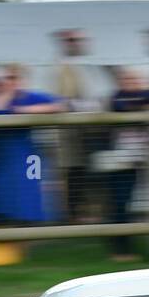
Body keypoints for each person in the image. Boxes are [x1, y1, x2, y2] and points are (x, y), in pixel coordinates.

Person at [0, 64, 64, 225]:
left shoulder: (28, 98)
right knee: (2, 194)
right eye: (7, 77)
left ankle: (30, 226)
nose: (9, 82)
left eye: (14, 78)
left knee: (29, 188)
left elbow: (59, 105)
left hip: (27, 154)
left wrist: (26, 110)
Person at [52, 28, 111, 223]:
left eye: (77, 40)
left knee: (94, 169)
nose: (75, 44)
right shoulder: (60, 67)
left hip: (95, 128)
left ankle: (95, 211)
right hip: (73, 129)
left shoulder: (92, 66)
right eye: (70, 41)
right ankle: (74, 215)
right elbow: (63, 98)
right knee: (75, 170)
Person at [106, 67, 149, 259]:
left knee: (146, 204)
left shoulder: (146, 94)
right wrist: (141, 100)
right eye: (127, 80)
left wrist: (141, 96)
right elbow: (120, 106)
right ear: (121, 82)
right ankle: (120, 249)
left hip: (146, 162)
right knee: (121, 204)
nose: (132, 83)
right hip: (122, 162)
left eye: (136, 80)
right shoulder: (117, 97)